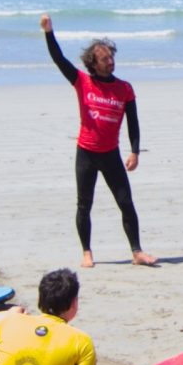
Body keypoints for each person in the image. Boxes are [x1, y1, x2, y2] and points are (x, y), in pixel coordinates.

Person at [43, 15, 153, 269]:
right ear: (94, 63)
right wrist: (48, 32)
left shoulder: (124, 88)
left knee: (126, 202)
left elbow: (133, 123)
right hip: (86, 154)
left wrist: (135, 151)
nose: (111, 62)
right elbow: (59, 59)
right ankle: (87, 252)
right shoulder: (82, 82)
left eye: (112, 57)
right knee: (84, 204)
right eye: (105, 58)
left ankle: (137, 251)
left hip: (111, 154)